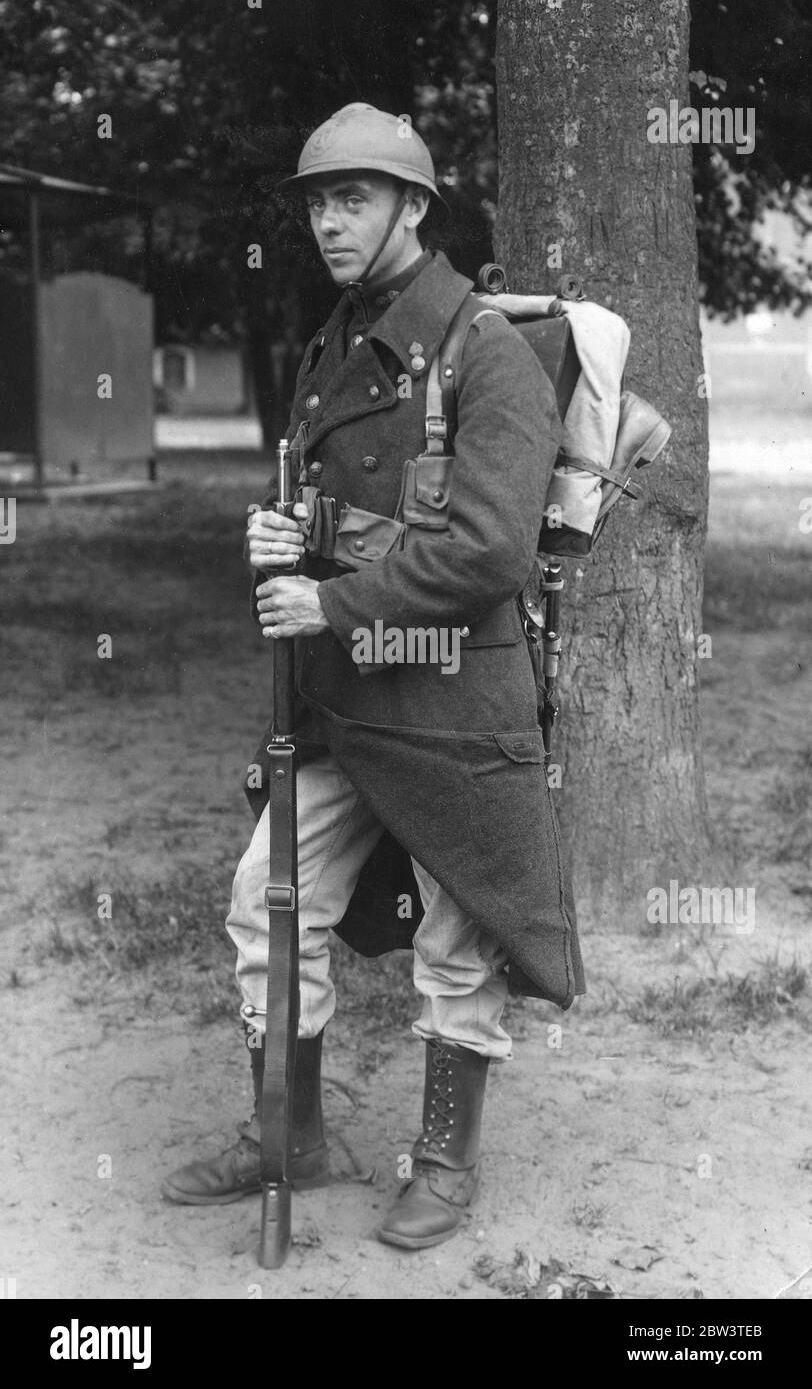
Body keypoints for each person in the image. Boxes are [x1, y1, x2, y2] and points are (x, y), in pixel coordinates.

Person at [162, 103, 584, 1249]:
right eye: (315, 201)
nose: (328, 221)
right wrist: (279, 533)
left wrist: (331, 598)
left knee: (458, 939)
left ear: (412, 207)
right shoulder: (334, 342)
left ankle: (442, 1162)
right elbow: (327, 497)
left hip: (453, 700)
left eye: (353, 198)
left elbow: (490, 549)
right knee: (265, 900)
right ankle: (291, 1128)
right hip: (343, 705)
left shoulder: (484, 350)